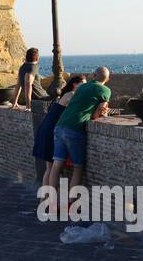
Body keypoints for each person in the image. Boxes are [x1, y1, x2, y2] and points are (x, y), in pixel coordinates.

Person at [43, 66, 111, 206]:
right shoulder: (105, 90)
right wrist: (100, 114)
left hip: (60, 125)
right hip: (74, 129)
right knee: (78, 167)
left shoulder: (81, 88)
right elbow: (98, 112)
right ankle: (71, 204)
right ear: (108, 79)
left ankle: (51, 203)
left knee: (56, 166)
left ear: (93, 75)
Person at [32, 73, 85, 185]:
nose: (84, 87)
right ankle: (47, 199)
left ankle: (45, 200)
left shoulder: (66, 94)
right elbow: (79, 109)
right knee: (51, 168)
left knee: (50, 168)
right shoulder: (71, 95)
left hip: (47, 127)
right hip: (52, 130)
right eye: (82, 85)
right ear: (75, 84)